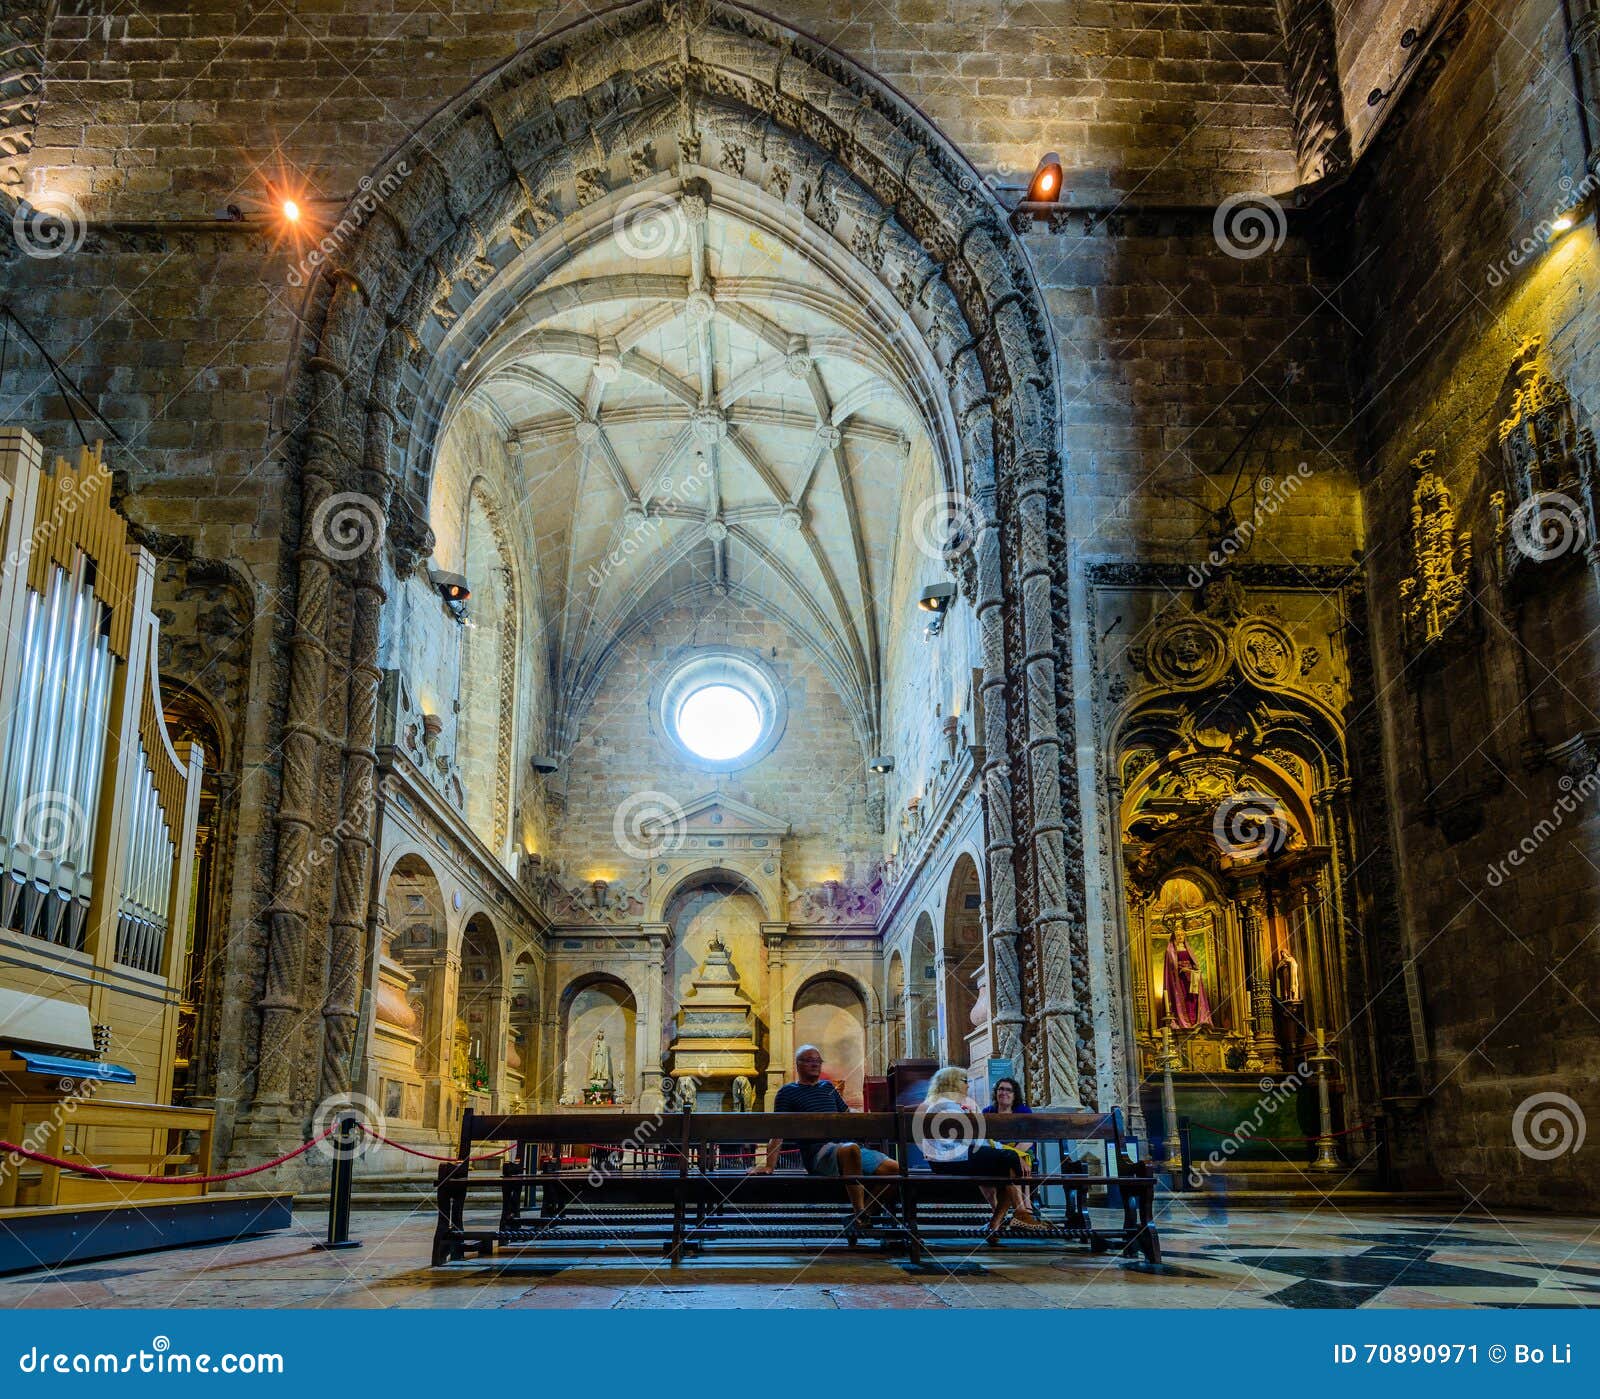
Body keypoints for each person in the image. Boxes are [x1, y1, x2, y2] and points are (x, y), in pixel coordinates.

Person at [748, 1045, 898, 1227]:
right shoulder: (787, 1092)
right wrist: (768, 1166)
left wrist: (865, 1118)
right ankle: (859, 1212)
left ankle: (862, 1217)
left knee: (896, 1169)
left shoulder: (828, 1088)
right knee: (850, 1149)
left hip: (846, 1148)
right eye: (810, 1060)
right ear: (798, 1064)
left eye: (818, 1061)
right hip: (818, 1154)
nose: (815, 1064)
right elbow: (778, 1131)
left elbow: (846, 1114)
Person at [921, 1065, 1046, 1239]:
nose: (968, 1086)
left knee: (1006, 1166)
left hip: (951, 1159)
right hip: (952, 1160)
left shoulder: (946, 1104)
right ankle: (1019, 1213)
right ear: (953, 1083)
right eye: (965, 1081)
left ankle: (998, 1223)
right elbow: (976, 1140)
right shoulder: (948, 1107)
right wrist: (1011, 1152)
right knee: (1009, 1158)